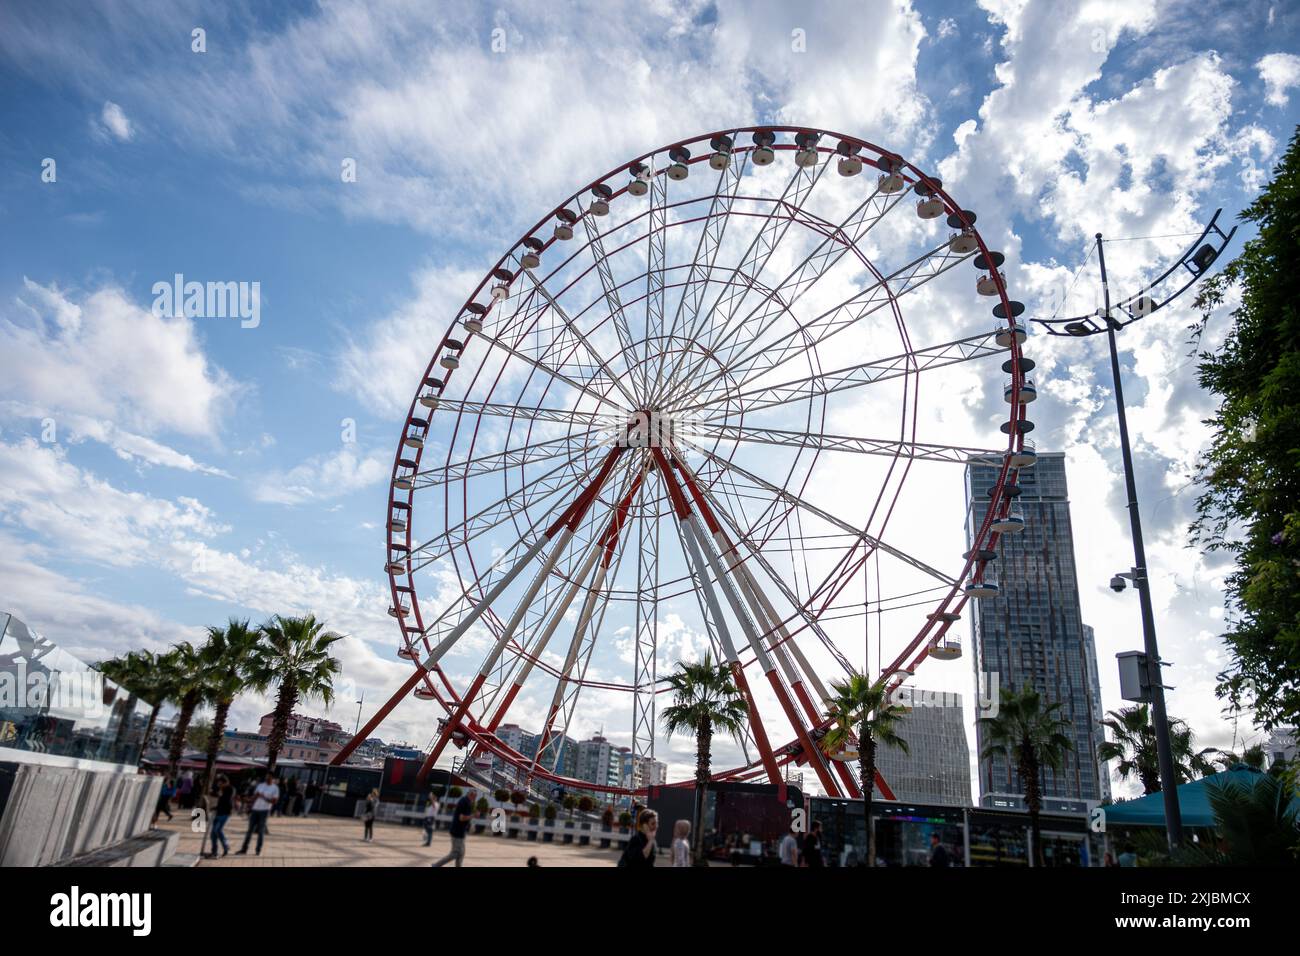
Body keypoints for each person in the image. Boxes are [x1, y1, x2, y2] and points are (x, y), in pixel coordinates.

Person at [235, 771, 280, 856]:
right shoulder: (260, 785)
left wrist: (263, 797)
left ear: (273, 779)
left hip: (264, 811)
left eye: (269, 777)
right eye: (266, 777)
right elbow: (254, 797)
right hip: (255, 809)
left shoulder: (275, 788)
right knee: (249, 831)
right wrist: (246, 801)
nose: (267, 779)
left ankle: (258, 850)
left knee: (260, 831)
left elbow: (274, 801)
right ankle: (244, 849)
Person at [431, 787, 475, 867]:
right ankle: (436, 865)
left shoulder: (465, 801)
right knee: (456, 853)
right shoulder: (465, 802)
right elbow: (461, 818)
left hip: (459, 830)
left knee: (461, 853)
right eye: (474, 796)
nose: (475, 798)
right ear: (471, 795)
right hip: (457, 831)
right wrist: (473, 816)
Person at [206, 775, 235, 858]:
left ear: (225, 783)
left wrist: (220, 794)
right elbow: (220, 801)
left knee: (217, 830)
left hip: (225, 813)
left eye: (220, 783)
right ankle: (214, 852)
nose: (219, 785)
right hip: (219, 812)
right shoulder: (222, 790)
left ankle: (226, 846)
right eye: (218, 783)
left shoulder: (230, 789)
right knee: (213, 834)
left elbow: (226, 800)